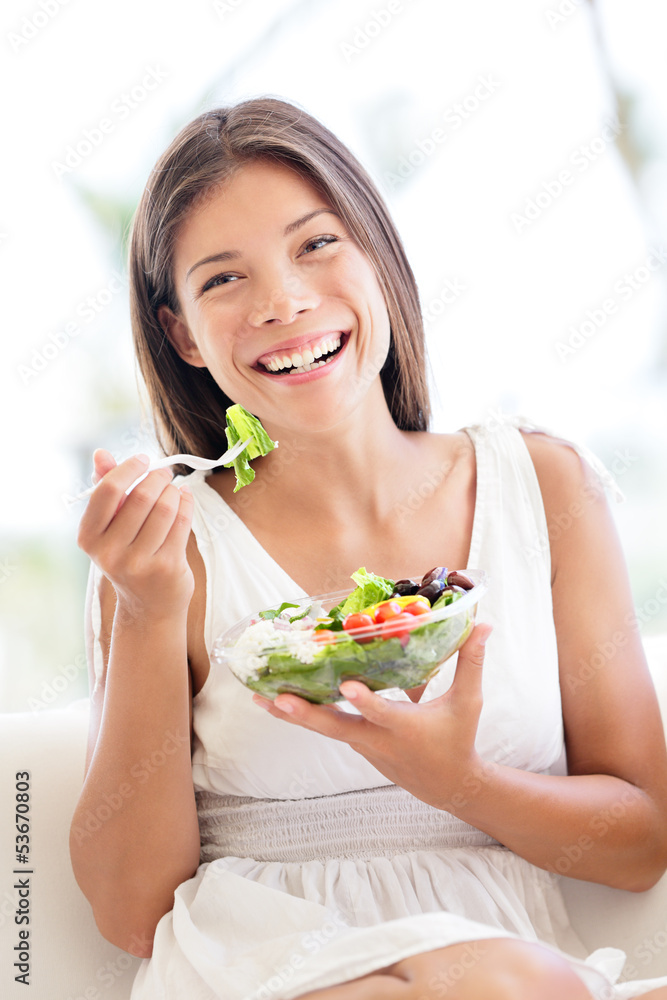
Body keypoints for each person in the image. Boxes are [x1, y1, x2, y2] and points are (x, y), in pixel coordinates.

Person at [70, 97, 667, 999]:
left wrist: (458, 781)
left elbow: (640, 843)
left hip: (510, 966)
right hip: (261, 963)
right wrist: (149, 611)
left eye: (316, 245)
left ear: (379, 260)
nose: (283, 301)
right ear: (182, 333)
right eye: (224, 279)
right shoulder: (165, 547)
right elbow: (129, 912)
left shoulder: (544, 489)